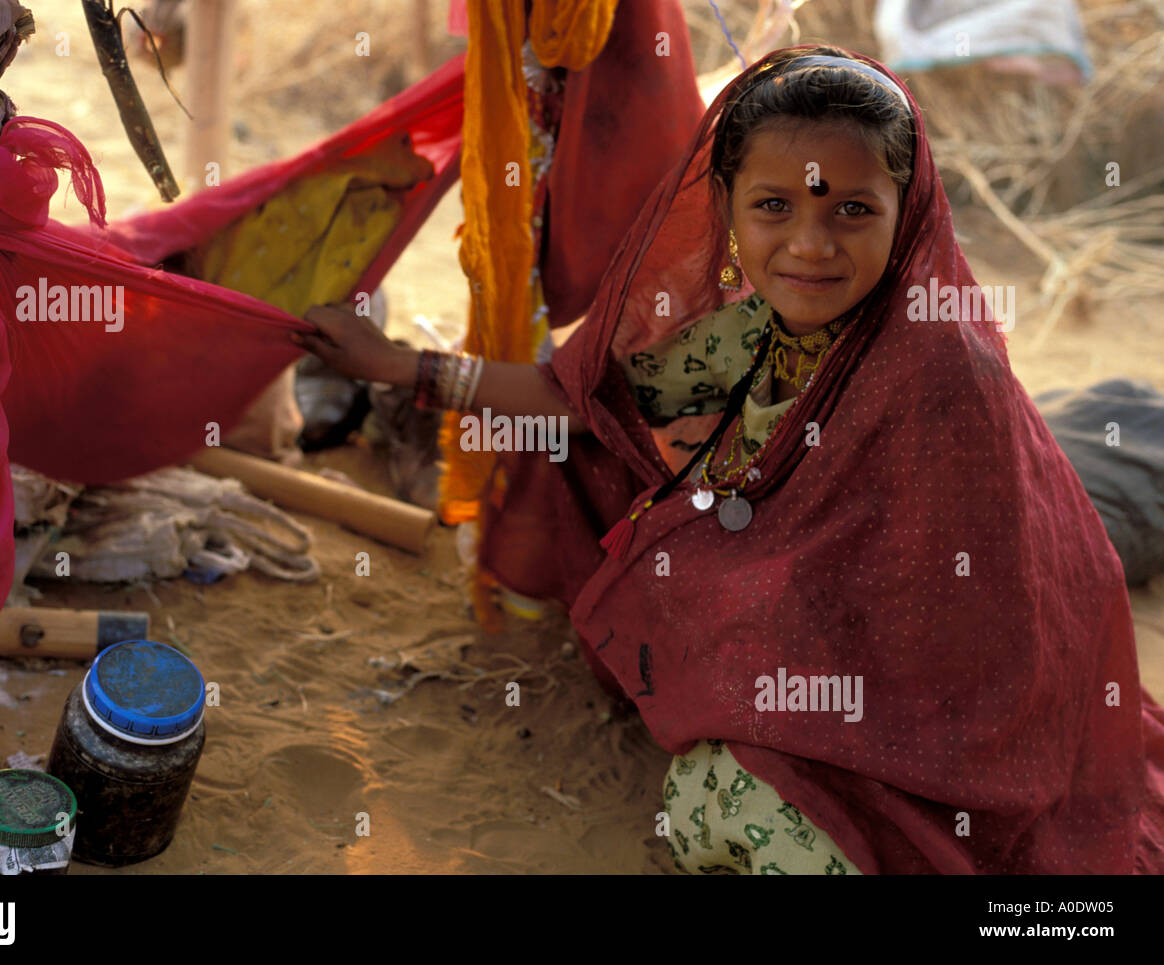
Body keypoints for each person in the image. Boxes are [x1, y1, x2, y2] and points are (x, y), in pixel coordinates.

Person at [294, 45, 1164, 874]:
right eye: (775, 206)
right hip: (814, 628)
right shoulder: (758, 327)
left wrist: (776, 672)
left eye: (852, 209)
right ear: (728, 208)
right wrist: (395, 365)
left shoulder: (941, 373)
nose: (812, 244)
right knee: (573, 452)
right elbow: (581, 400)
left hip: (941, 705)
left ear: (909, 214)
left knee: (729, 797)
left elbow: (962, 637)